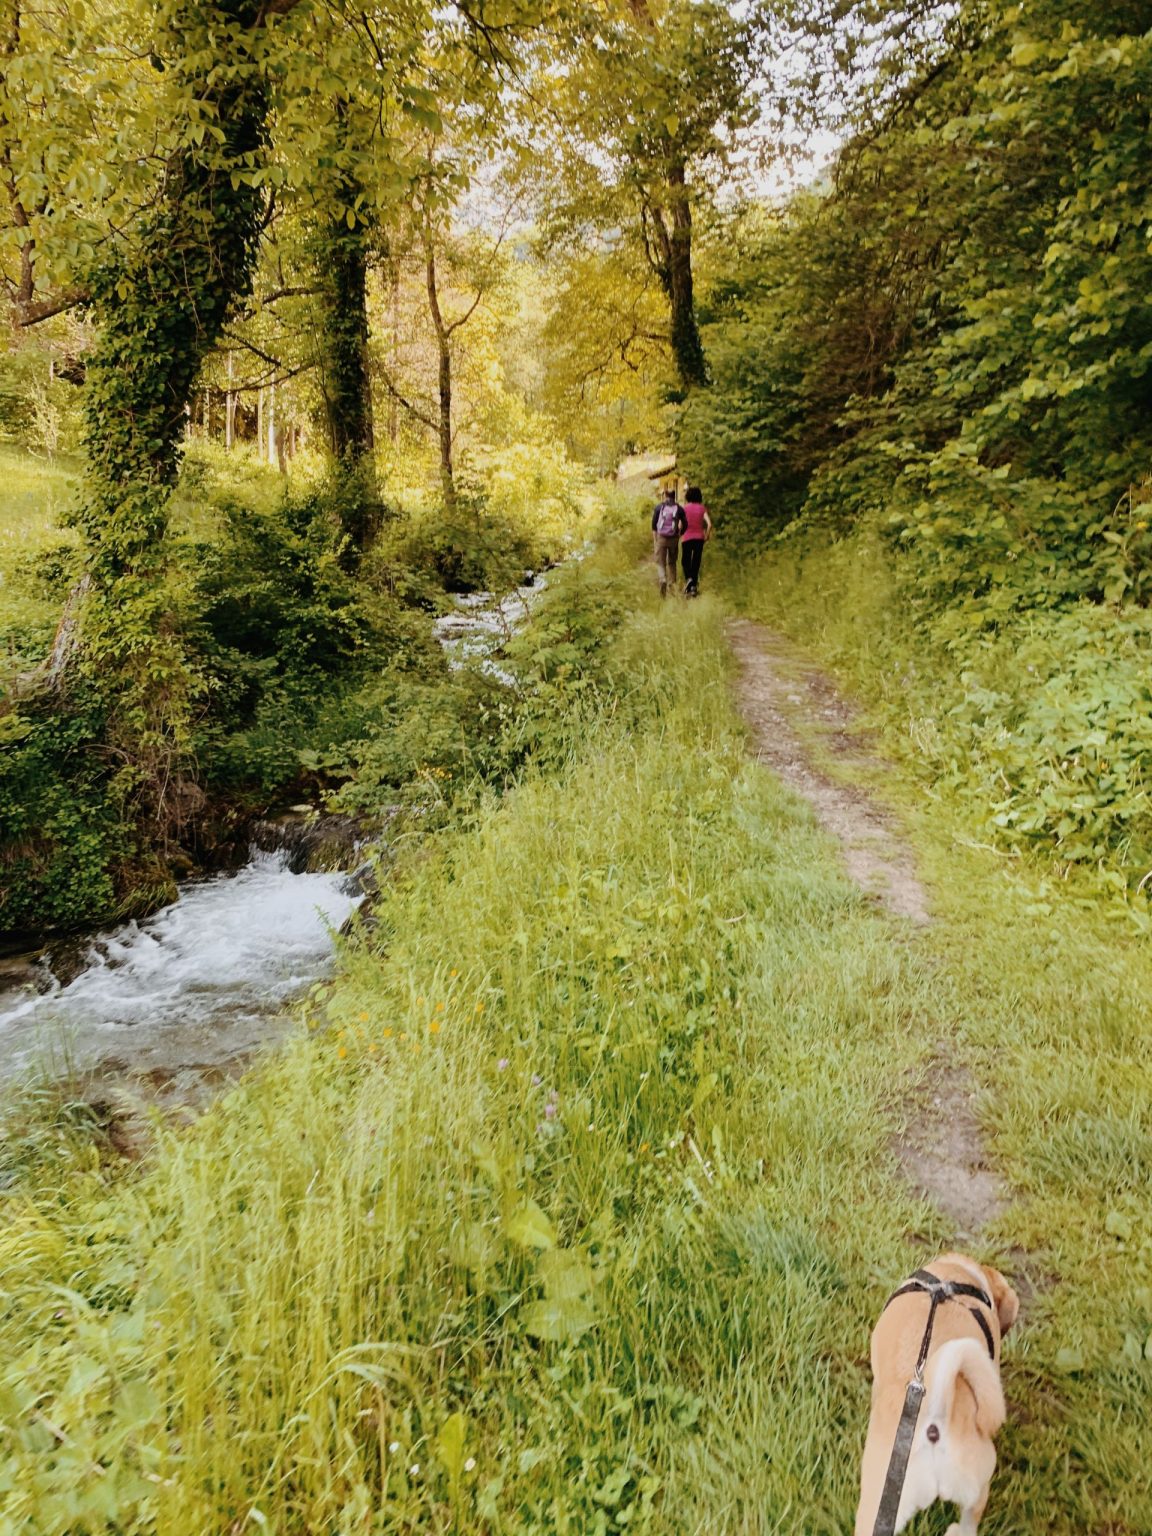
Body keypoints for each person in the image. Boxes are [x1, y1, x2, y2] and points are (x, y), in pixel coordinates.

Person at [651, 486, 685, 597]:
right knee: (672, 562)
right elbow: (685, 523)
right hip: (674, 538)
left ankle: (663, 580)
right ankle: (672, 586)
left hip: (661, 538)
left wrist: (655, 540)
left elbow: (654, 525)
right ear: (674, 495)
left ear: (665, 495)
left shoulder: (659, 507)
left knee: (660, 562)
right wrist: (680, 533)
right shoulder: (679, 508)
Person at [679, 486, 712, 596]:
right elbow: (709, 524)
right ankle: (693, 587)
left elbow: (680, 525)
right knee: (696, 563)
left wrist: (680, 534)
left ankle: (689, 580)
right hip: (699, 538)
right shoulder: (702, 508)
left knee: (685, 561)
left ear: (688, 496)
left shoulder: (685, 508)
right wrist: (706, 535)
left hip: (687, 538)